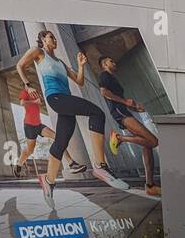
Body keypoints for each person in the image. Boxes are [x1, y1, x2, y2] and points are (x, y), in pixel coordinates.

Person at [17, 30, 127, 208]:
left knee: (60, 142)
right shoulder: (38, 53)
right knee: (96, 112)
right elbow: (20, 66)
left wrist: (81, 65)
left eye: (54, 37)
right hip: (56, 98)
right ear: (43, 40)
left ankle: (48, 180)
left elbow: (79, 81)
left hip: (65, 101)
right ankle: (100, 166)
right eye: (50, 36)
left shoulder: (60, 63)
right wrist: (28, 86)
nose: (53, 39)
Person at [98, 56, 161, 196]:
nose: (114, 62)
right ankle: (120, 138)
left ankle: (150, 185)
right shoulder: (104, 75)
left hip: (124, 111)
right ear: (104, 64)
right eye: (111, 61)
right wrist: (125, 102)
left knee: (147, 145)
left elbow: (121, 100)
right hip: (120, 113)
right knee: (153, 141)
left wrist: (133, 107)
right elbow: (104, 92)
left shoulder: (112, 78)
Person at [12, 85, 86, 178]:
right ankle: (19, 164)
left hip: (39, 125)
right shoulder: (24, 92)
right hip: (29, 126)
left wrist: (39, 99)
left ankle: (71, 163)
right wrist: (35, 101)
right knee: (30, 150)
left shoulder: (36, 92)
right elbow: (22, 102)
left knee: (58, 137)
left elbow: (40, 103)